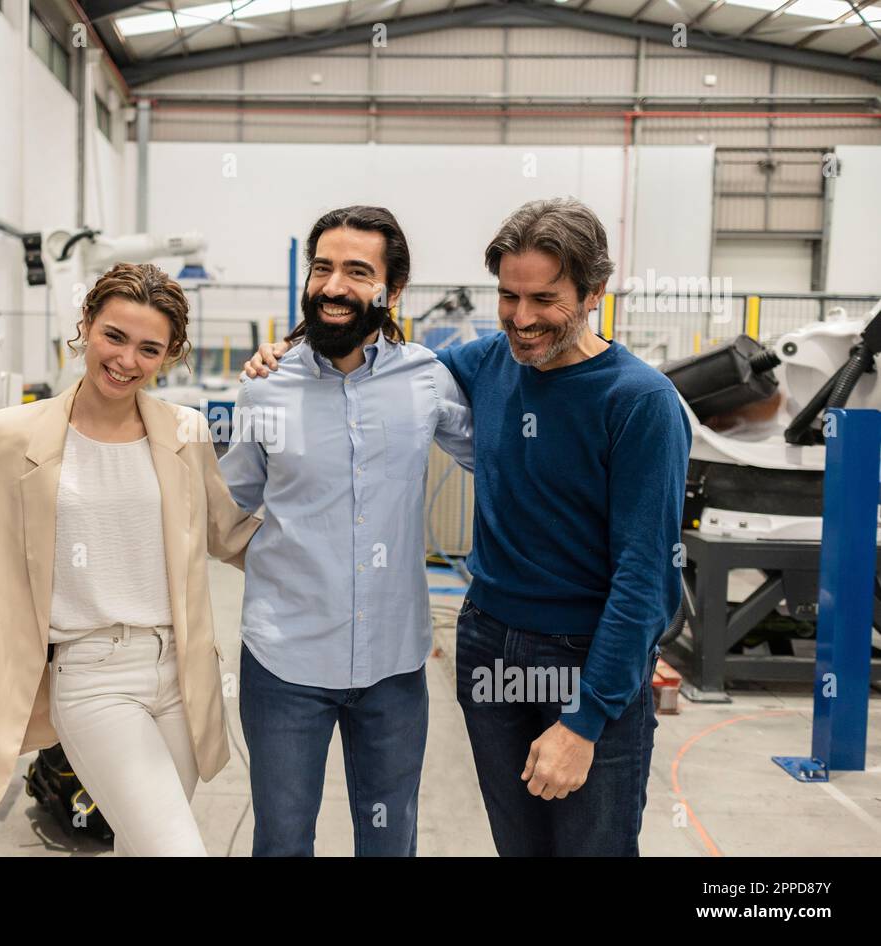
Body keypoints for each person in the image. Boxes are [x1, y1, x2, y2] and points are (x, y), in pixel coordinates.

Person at [243, 196, 691, 856]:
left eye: (544, 299)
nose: (523, 318)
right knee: (522, 844)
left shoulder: (639, 400)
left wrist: (585, 720)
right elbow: (373, 371)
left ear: (596, 292)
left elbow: (645, 579)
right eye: (509, 296)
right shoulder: (487, 363)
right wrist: (294, 349)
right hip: (488, 643)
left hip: (585, 652)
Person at [0, 262, 260, 856]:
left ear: (169, 355)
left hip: (181, 675)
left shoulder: (185, 432)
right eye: (114, 336)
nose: (126, 360)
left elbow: (231, 534)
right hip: (92, 677)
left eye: (149, 348)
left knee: (143, 846)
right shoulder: (11, 436)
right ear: (86, 324)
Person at [220, 206, 474, 856]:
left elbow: (500, 455)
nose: (334, 286)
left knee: (391, 843)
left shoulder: (426, 379)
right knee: (282, 841)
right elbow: (224, 504)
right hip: (284, 663)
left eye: (357, 271)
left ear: (391, 291)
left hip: (393, 665)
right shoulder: (265, 387)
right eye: (323, 268)